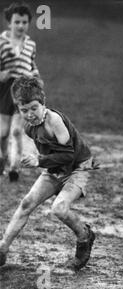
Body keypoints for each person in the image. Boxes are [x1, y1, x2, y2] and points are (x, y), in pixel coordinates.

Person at [0, 76, 97, 270]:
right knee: (26, 203)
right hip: (55, 170)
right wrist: (40, 160)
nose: (30, 114)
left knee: (59, 208)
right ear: (18, 109)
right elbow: (48, 151)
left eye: (34, 108)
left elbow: (68, 156)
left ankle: (84, 234)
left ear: (43, 103)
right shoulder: (28, 126)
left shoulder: (55, 121)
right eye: (24, 110)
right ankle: (2, 249)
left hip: (78, 168)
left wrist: (39, 160)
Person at [0, 2, 40, 181]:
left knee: (17, 131)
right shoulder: (1, 42)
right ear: (9, 23)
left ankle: (14, 168)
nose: (21, 26)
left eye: (24, 22)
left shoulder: (31, 44)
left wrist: (37, 77)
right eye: (17, 22)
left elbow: (32, 65)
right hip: (4, 90)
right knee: (3, 133)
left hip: (22, 91)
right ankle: (4, 158)